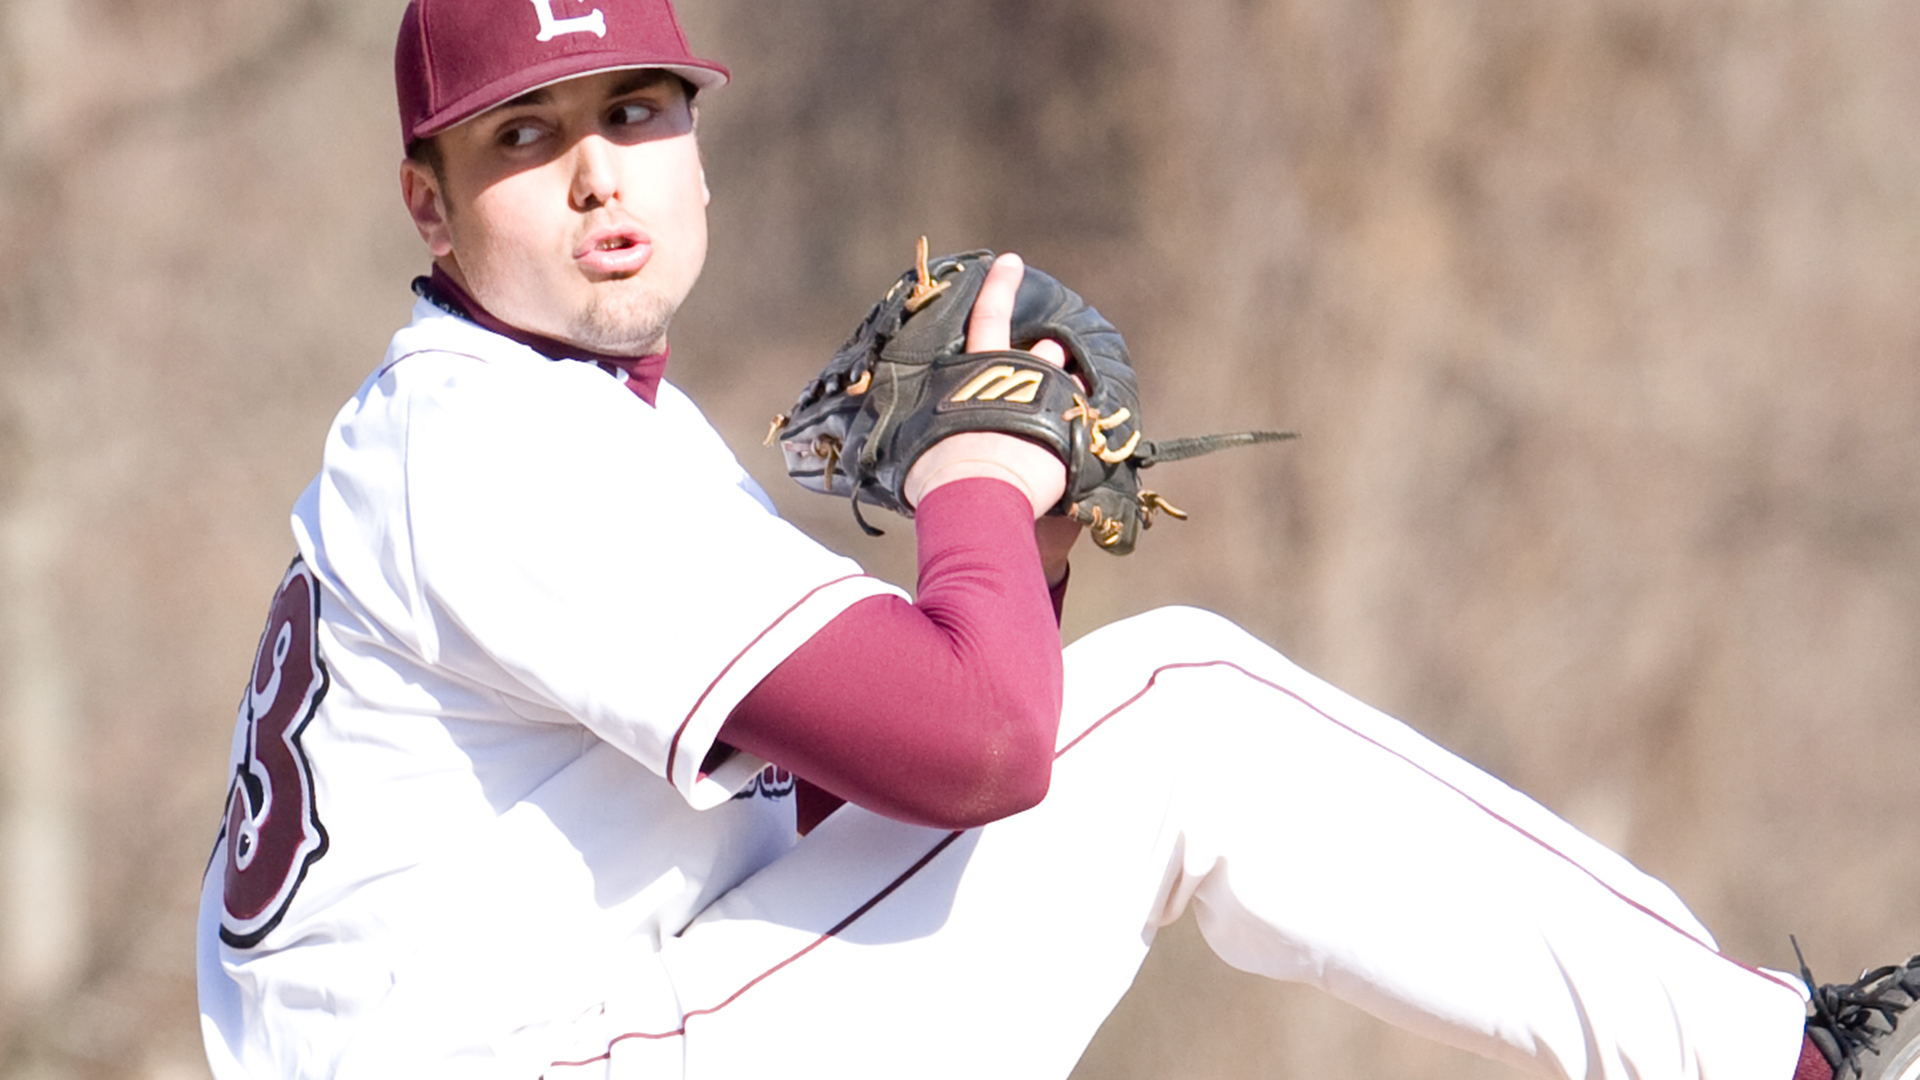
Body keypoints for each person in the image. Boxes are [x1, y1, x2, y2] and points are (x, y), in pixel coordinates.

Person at [195, 0, 1920, 1077]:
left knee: (1143, 717)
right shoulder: (503, 452)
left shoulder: (521, 416)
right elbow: (988, 747)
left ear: (699, 147)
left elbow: (837, 794)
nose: (599, 176)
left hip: (588, 1030)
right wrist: (973, 474)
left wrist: (1013, 551)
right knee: (1179, 712)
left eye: (636, 112)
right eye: (527, 135)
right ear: (427, 197)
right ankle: (1794, 1067)